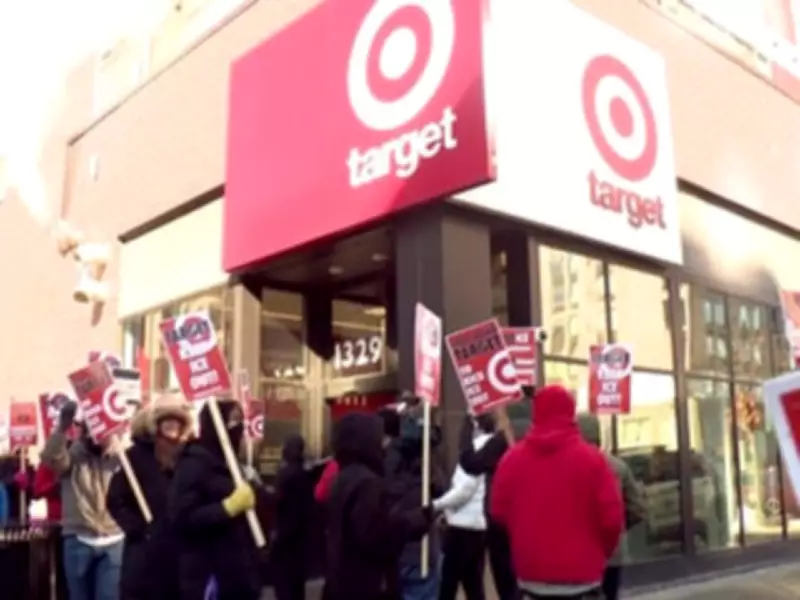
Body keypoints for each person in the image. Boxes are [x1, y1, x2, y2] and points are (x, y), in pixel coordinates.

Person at [490, 385, 624, 599]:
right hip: (583, 578)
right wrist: (601, 552)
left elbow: (498, 512)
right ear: (571, 412)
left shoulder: (511, 460)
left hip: (532, 577)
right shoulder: (594, 461)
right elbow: (612, 519)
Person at [325, 412, 435, 600]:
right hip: (369, 585)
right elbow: (378, 537)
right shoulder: (367, 483)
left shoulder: (343, 478)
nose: (384, 444)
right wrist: (414, 521)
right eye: (379, 438)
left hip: (344, 581)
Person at [170, 398, 264, 600]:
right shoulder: (193, 464)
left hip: (238, 573)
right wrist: (227, 508)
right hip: (209, 574)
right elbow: (182, 518)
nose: (239, 429)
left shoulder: (231, 464)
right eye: (233, 421)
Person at [107, 395, 192, 600]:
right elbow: (115, 499)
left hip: (179, 557)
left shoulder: (189, 457)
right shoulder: (136, 456)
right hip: (144, 557)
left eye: (176, 421)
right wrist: (138, 529)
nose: (171, 426)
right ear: (157, 425)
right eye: (166, 421)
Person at [41, 401, 123, 600]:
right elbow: (50, 458)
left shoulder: (121, 459)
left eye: (103, 430)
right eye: (93, 429)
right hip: (78, 539)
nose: (98, 436)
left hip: (113, 541)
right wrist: (62, 426)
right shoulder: (72, 457)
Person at [577, 414, 645, 600]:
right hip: (613, 551)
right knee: (610, 593)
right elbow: (637, 508)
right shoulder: (618, 466)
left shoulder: (570, 466)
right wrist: (620, 526)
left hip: (581, 551)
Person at [457, 413, 517, 600]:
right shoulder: (528, 437)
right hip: (526, 517)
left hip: (499, 517)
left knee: (505, 579)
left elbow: (471, 462)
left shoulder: (500, 441)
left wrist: (467, 425)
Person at [435, 414, 494, 600]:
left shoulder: (475, 451)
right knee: (473, 583)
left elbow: (463, 491)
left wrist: (437, 505)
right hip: (478, 524)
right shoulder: (494, 449)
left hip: (461, 526)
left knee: (448, 583)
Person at [270, 434, 314, 600]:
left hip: (285, 540)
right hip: (300, 542)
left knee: (284, 587)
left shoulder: (286, 474)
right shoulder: (304, 473)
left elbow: (277, 500)